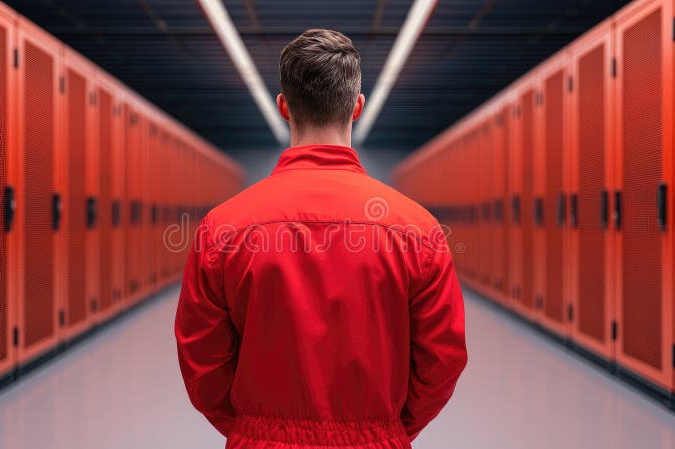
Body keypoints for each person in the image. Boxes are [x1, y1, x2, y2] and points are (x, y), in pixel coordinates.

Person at [175, 29, 467, 449]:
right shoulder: (417, 230)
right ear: (357, 107)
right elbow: (443, 358)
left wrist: (256, 429)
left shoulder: (222, 229)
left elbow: (201, 362)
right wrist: (385, 429)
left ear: (283, 107)